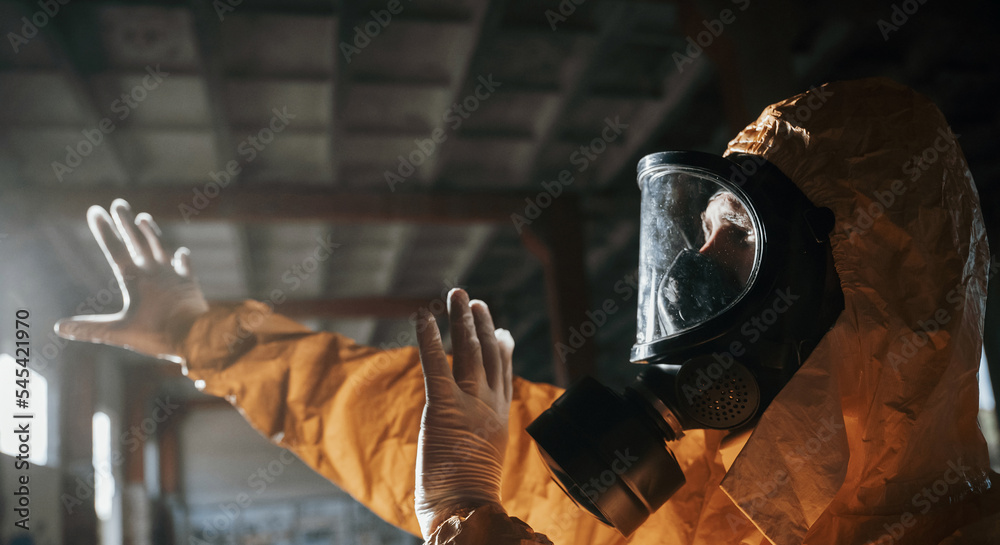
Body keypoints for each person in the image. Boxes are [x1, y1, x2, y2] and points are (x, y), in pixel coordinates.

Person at [56, 78, 1000, 544]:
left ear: (878, 295)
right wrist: (206, 337)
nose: (695, 272)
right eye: (700, 233)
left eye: (742, 239)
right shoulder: (708, 501)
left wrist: (467, 516)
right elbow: (395, 425)